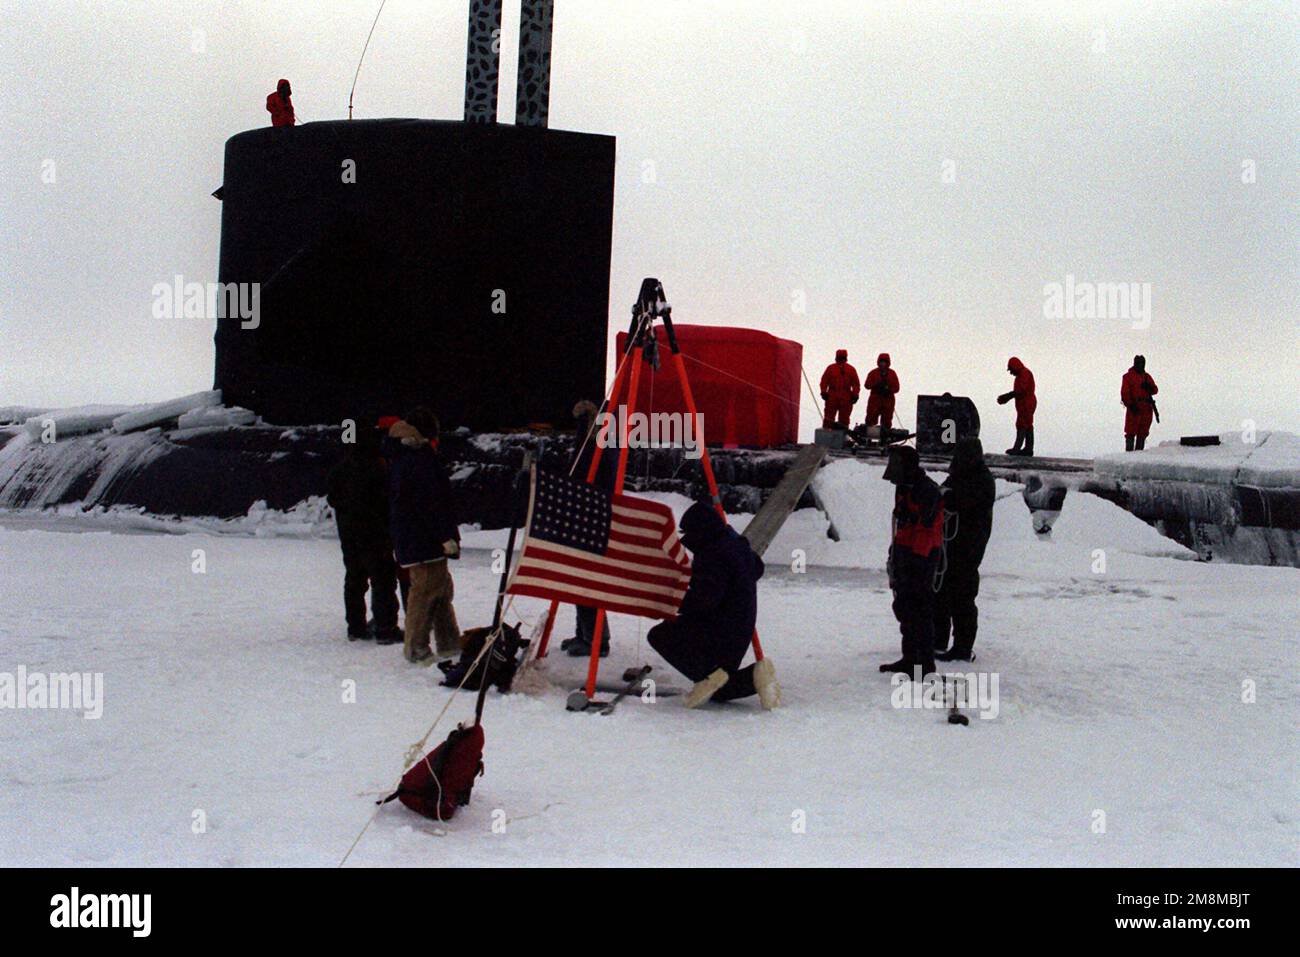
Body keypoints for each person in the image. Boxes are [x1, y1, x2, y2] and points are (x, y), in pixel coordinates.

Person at [647, 502, 780, 710]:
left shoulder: (713, 554)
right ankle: (754, 676)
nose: (686, 539)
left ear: (701, 530)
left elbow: (704, 601)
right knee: (720, 690)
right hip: (740, 631)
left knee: (660, 635)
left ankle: (707, 676)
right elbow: (757, 568)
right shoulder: (735, 544)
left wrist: (669, 602)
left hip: (719, 634)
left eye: (688, 532)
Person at [384, 408, 462, 664]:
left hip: (416, 538)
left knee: (439, 590)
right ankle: (416, 649)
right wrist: (444, 535)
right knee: (426, 593)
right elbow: (430, 503)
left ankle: (449, 643)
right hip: (424, 539)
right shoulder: (419, 459)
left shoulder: (404, 456)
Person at [327, 422, 402, 644]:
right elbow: (386, 501)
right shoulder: (378, 469)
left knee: (354, 578)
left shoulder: (340, 469)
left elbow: (334, 498)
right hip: (375, 532)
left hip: (349, 532)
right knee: (383, 579)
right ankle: (386, 628)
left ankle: (356, 626)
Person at [879, 446, 944, 679]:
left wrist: (916, 558)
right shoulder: (903, 486)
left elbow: (928, 529)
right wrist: (895, 553)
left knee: (921, 609)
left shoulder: (927, 491)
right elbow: (902, 522)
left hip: (922, 555)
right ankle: (910, 659)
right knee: (904, 606)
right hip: (905, 551)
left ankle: (925, 665)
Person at [562, 399, 616, 658]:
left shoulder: (594, 447)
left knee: (585, 581)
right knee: (582, 581)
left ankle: (595, 639)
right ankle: (586, 634)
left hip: (589, 519)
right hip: (591, 516)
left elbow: (583, 473)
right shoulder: (600, 445)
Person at [934, 438, 995, 662]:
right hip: (951, 544)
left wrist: (944, 495)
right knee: (941, 592)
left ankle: (962, 647)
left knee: (962, 596)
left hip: (968, 546)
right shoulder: (963, 474)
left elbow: (960, 500)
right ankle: (939, 640)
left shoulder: (981, 479)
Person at [997, 357, 1036, 456]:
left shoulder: (1024, 374)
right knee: (1027, 424)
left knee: (1022, 424)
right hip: (1025, 403)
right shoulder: (1022, 375)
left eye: (1011, 370)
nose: (1011, 373)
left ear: (1015, 367)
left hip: (1026, 403)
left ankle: (1018, 448)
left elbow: (1021, 390)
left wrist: (1008, 396)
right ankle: (1028, 448)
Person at [1121, 355, 1159, 451]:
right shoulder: (1127, 377)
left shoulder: (1147, 377)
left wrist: (1149, 387)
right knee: (1130, 433)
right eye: (1139, 363)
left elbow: (1155, 390)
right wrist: (1131, 405)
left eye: (1142, 363)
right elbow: (1125, 394)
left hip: (1146, 409)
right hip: (1134, 409)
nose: (1141, 365)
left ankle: (1138, 456)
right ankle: (1129, 456)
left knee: (1142, 433)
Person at [819, 349, 860, 430]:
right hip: (832, 395)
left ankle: (842, 438)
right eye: (839, 357)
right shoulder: (831, 368)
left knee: (844, 419)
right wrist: (823, 391)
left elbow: (856, 384)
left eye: (842, 358)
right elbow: (824, 381)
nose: (840, 359)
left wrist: (855, 394)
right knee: (829, 417)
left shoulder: (851, 369)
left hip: (846, 396)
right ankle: (826, 437)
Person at [863, 353, 900, 435]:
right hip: (875, 399)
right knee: (871, 419)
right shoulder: (873, 373)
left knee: (887, 420)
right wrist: (876, 385)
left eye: (884, 362)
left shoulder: (892, 374)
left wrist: (888, 389)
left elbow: (897, 387)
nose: (883, 364)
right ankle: (871, 438)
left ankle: (884, 439)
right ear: (878, 362)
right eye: (881, 362)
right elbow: (867, 385)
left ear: (888, 363)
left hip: (888, 400)